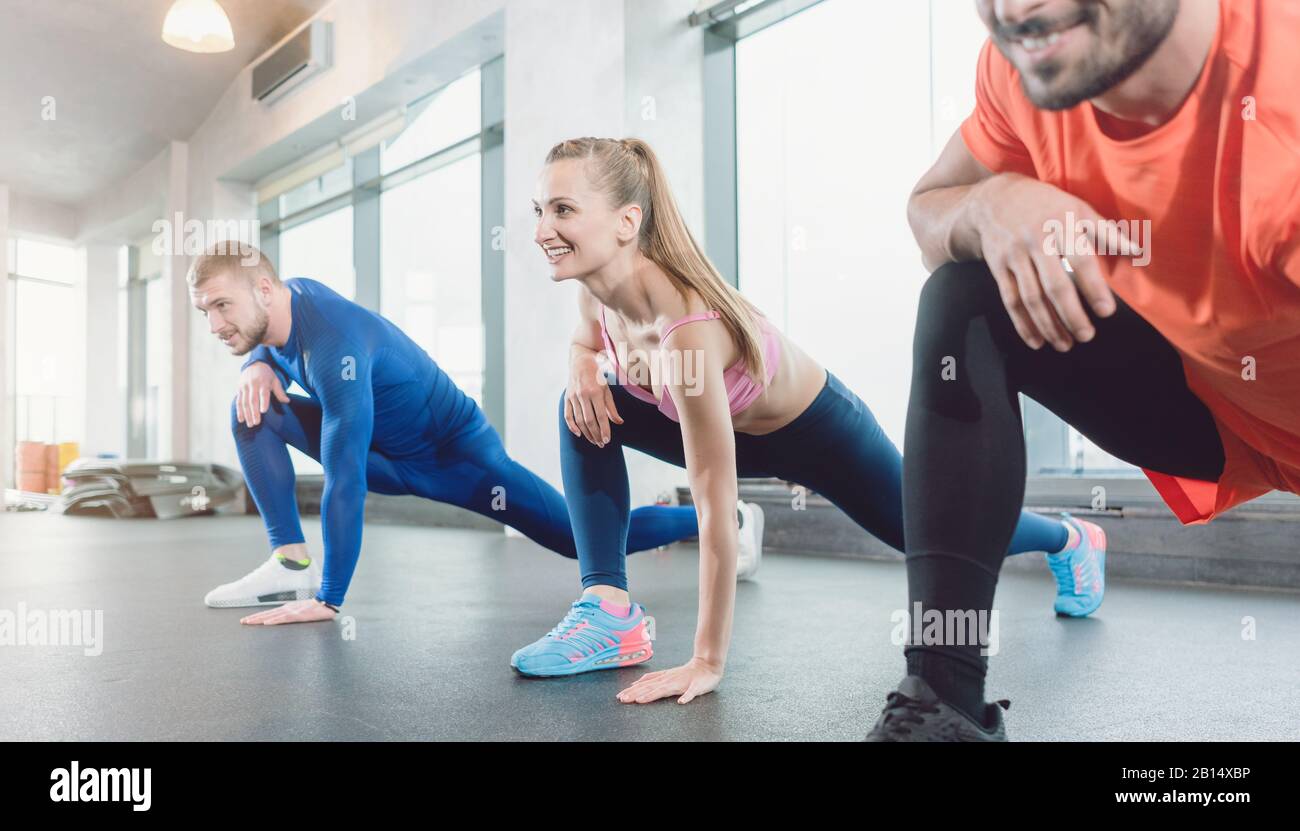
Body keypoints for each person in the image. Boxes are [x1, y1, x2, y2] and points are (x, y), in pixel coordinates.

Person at [509, 136, 1105, 696]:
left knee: (927, 531)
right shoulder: (597, 290)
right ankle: (609, 612)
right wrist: (580, 364)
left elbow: (717, 507)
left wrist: (706, 661)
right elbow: (586, 342)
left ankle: (1071, 537)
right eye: (539, 210)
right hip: (733, 426)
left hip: (815, 431)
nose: (541, 231)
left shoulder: (685, 333)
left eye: (562, 210)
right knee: (580, 408)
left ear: (626, 222)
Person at [869, 0, 1300, 740]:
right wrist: (990, 201)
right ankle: (941, 703)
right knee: (967, 295)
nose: (1013, 8)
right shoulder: (1030, 65)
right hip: (1215, 406)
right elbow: (929, 209)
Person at [188, 245, 709, 623]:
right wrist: (257, 364)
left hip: (461, 462)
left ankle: (717, 520)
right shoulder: (285, 298)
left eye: (221, 306)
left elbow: (344, 479)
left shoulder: (334, 346)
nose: (214, 325)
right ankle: (289, 561)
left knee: (578, 540)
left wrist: (329, 600)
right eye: (205, 311)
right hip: (388, 457)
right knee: (252, 409)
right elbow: (272, 343)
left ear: (261, 290)